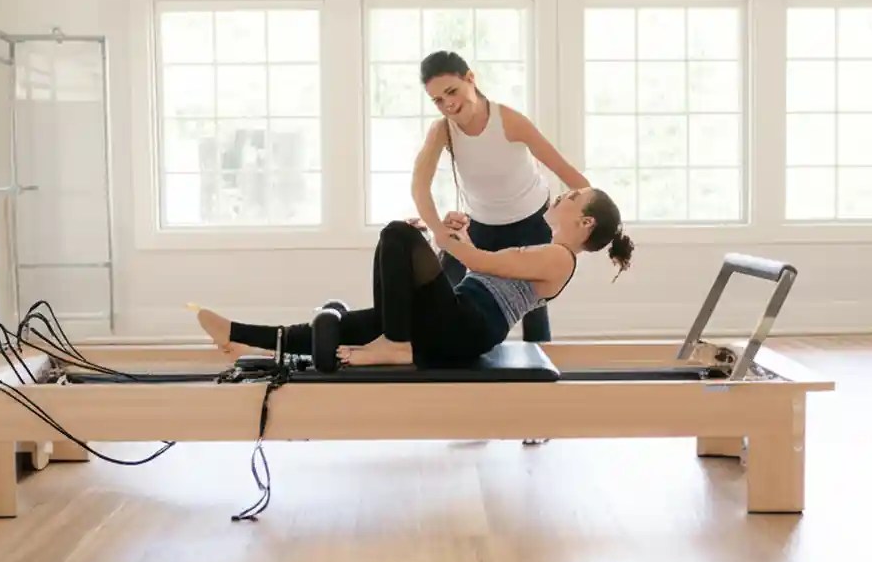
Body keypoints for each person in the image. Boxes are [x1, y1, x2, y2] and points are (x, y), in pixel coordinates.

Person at [195, 187, 635, 368]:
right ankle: (237, 336)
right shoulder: (547, 249)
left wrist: (444, 235)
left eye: (572, 196)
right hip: (456, 316)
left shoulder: (560, 258)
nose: (562, 195)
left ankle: (395, 342)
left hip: (469, 326)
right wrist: (454, 238)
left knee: (398, 234)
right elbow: (473, 265)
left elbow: (481, 263)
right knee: (345, 327)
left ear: (586, 223)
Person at [410, 50, 591, 344]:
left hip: (531, 223)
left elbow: (565, 171)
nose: (448, 104)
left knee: (533, 308)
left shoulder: (509, 121)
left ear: (471, 78)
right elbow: (419, 186)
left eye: (452, 91)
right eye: (438, 100)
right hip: (481, 224)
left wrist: (602, 220)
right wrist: (439, 231)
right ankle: (431, 353)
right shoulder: (442, 130)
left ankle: (541, 367)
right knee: (444, 287)